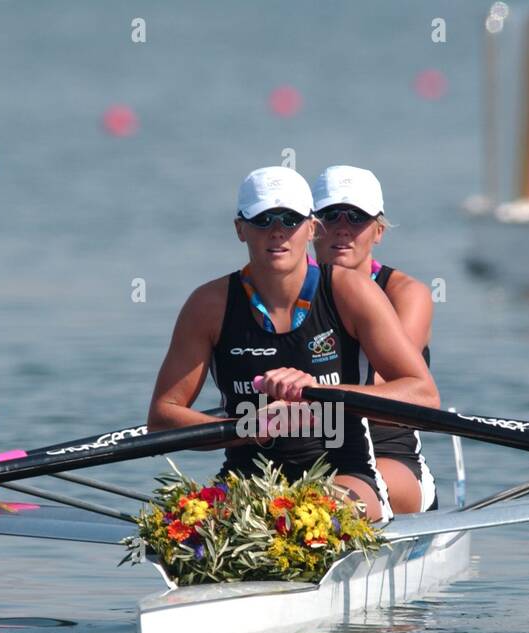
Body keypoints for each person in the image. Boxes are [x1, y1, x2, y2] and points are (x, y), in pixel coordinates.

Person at [147, 166, 438, 521]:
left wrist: (318, 395)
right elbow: (162, 419)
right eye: (263, 220)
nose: (277, 233)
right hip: (247, 477)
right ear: (240, 229)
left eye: (290, 220)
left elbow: (423, 394)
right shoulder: (207, 305)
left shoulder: (353, 292)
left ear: (311, 228)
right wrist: (251, 428)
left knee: (305, 516)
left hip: (344, 473)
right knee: (180, 528)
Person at [312, 165, 437, 512]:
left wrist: (308, 396)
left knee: (319, 500)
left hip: (389, 458)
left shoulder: (407, 295)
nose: (342, 229)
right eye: (330, 215)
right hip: (306, 453)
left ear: (379, 231)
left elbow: (382, 392)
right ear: (310, 226)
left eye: (356, 217)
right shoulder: (285, 291)